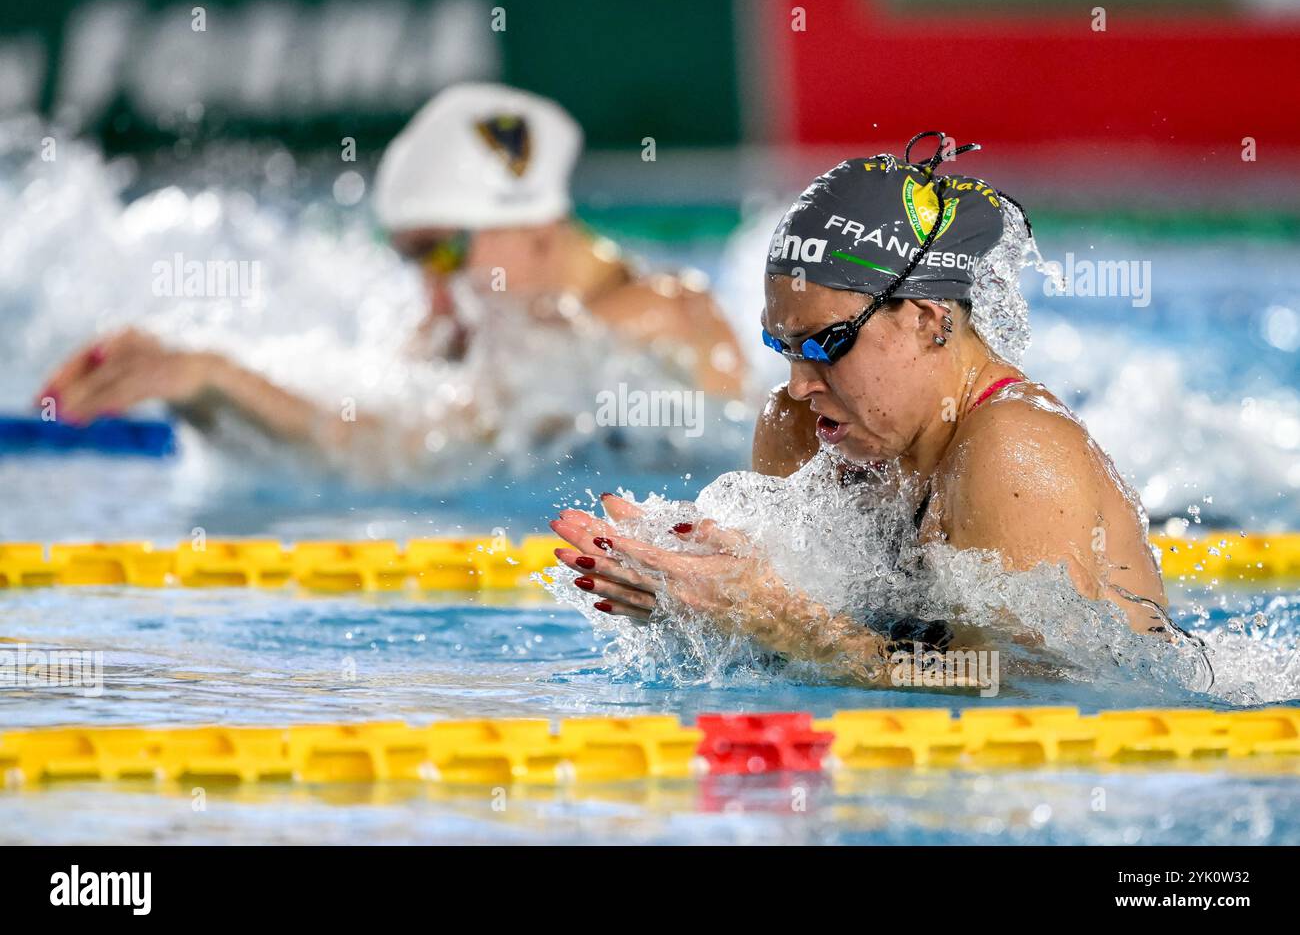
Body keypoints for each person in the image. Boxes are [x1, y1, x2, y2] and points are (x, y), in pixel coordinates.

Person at [551, 133, 1178, 686]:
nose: (799, 385)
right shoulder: (801, 426)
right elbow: (795, 649)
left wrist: (781, 623)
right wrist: (690, 599)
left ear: (929, 319)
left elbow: (1023, 689)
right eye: (783, 345)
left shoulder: (1014, 452)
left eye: (828, 343)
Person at [35, 84, 745, 461]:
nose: (432, 289)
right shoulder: (459, 325)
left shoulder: (657, 317)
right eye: (412, 258)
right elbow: (365, 423)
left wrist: (217, 376)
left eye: (443, 251)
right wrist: (207, 383)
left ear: (534, 228)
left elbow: (410, 454)